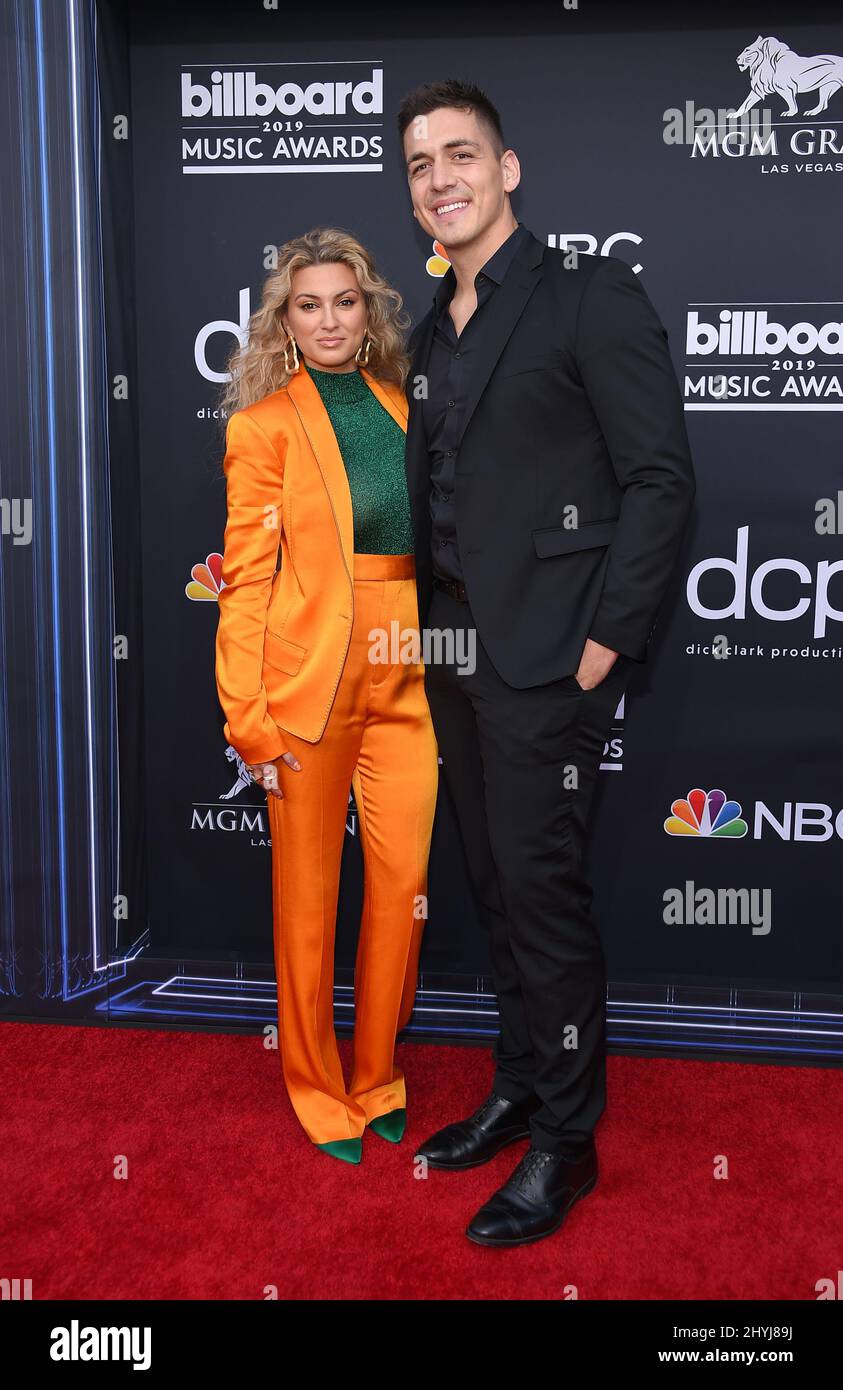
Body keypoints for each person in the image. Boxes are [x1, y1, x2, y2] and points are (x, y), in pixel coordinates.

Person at [397, 80, 696, 1244]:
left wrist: (605, 644)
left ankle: (568, 1141)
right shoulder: (429, 331)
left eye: (461, 155)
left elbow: (661, 479)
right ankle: (521, 1083)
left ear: (507, 169)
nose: (441, 180)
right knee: (495, 887)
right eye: (421, 165)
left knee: (547, 900)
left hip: (548, 659)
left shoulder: (589, 296)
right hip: (457, 648)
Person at [215, 228, 439, 1165]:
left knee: (402, 892)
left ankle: (378, 1074)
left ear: (369, 307)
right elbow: (246, 579)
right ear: (285, 322)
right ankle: (315, 1086)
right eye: (308, 305)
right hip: (306, 684)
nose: (329, 319)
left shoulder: (405, 407)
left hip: (411, 677)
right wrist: (246, 713)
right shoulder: (262, 425)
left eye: (344, 301)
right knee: (306, 904)